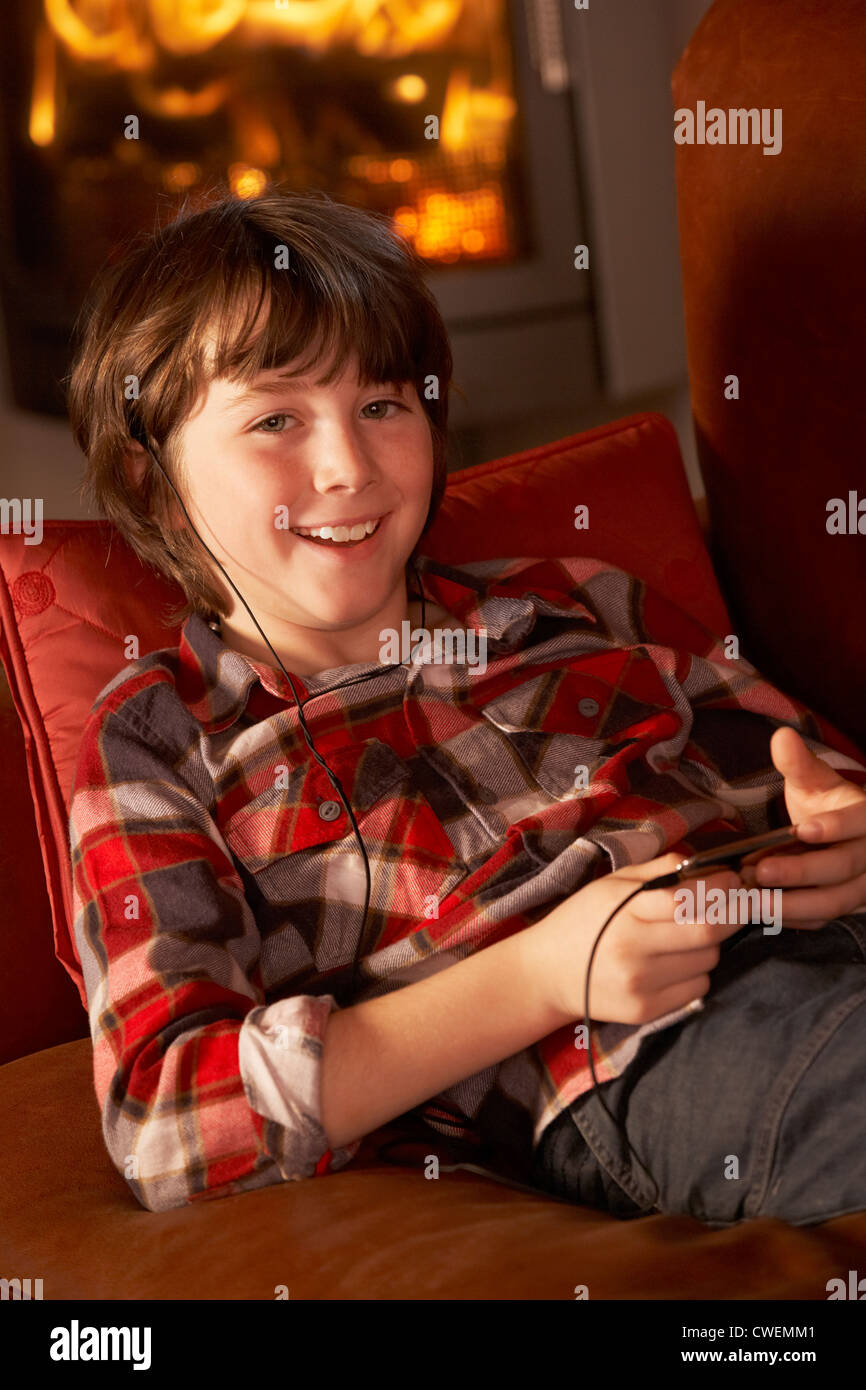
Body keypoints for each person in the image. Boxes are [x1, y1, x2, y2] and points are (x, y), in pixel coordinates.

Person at [65, 189, 866, 1223]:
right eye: (274, 418)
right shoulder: (155, 742)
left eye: (382, 405)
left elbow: (816, 780)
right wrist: (539, 974)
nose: (346, 466)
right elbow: (171, 1118)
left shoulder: (575, 598)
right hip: (636, 1061)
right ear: (158, 481)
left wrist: (840, 829)